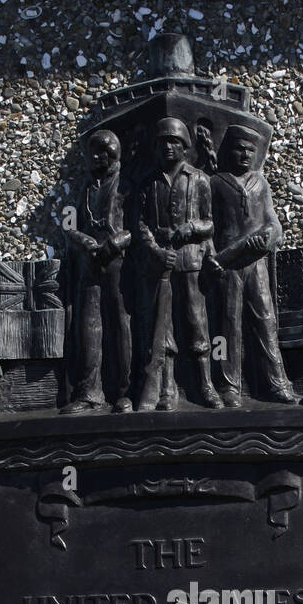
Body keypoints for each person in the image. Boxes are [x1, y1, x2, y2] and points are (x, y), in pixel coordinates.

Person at [207, 125, 298, 408]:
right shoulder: (215, 183)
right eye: (238, 148)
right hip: (227, 265)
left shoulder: (260, 183)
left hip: (256, 264)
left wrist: (271, 233)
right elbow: (207, 224)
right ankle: (229, 384)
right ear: (228, 151)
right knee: (227, 324)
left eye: (250, 150)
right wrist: (213, 257)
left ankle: (275, 383)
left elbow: (272, 220)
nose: (245, 155)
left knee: (265, 320)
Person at [136, 117, 221, 411]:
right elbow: (141, 225)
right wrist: (156, 251)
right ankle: (167, 389)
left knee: (197, 324)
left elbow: (211, 223)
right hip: (161, 264)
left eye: (175, 141)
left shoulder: (199, 179)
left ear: (185, 147)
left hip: (191, 262)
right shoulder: (148, 182)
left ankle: (205, 386)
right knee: (164, 327)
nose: (169, 147)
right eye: (163, 142)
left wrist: (193, 228)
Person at [62, 128, 132, 414]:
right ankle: (90, 392)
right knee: (89, 326)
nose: (96, 157)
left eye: (102, 151)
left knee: (121, 324)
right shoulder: (86, 188)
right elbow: (70, 227)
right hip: (90, 263)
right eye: (92, 152)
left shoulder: (127, 184)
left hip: (119, 262)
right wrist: (84, 241)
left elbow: (141, 224)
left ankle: (127, 391)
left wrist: (118, 241)